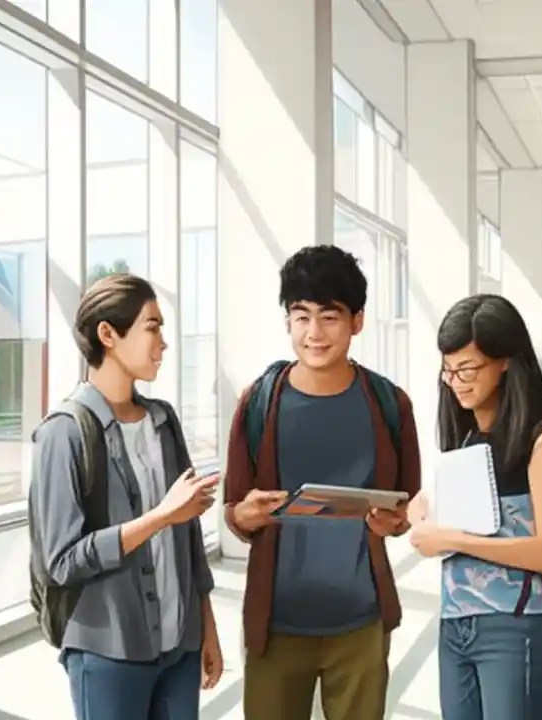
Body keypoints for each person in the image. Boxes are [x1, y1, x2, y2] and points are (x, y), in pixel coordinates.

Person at [222, 246, 422, 720]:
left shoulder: (389, 404)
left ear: (357, 321)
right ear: (287, 320)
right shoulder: (259, 403)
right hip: (277, 622)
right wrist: (243, 516)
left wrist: (392, 523)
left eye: (329, 317)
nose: (314, 333)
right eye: (301, 316)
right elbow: (235, 508)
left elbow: (405, 505)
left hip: (361, 622)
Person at [29, 273, 222, 720]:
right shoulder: (63, 433)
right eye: (152, 328)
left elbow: (188, 537)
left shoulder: (163, 421)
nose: (163, 343)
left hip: (181, 647)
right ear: (108, 335)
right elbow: (60, 563)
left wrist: (205, 627)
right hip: (107, 653)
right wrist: (159, 517)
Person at [406, 294, 542, 720]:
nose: (457, 381)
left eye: (467, 368)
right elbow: (470, 516)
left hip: (519, 629)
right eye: (449, 370)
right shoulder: (467, 443)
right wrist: (421, 513)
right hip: (457, 625)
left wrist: (448, 538)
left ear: (506, 362)